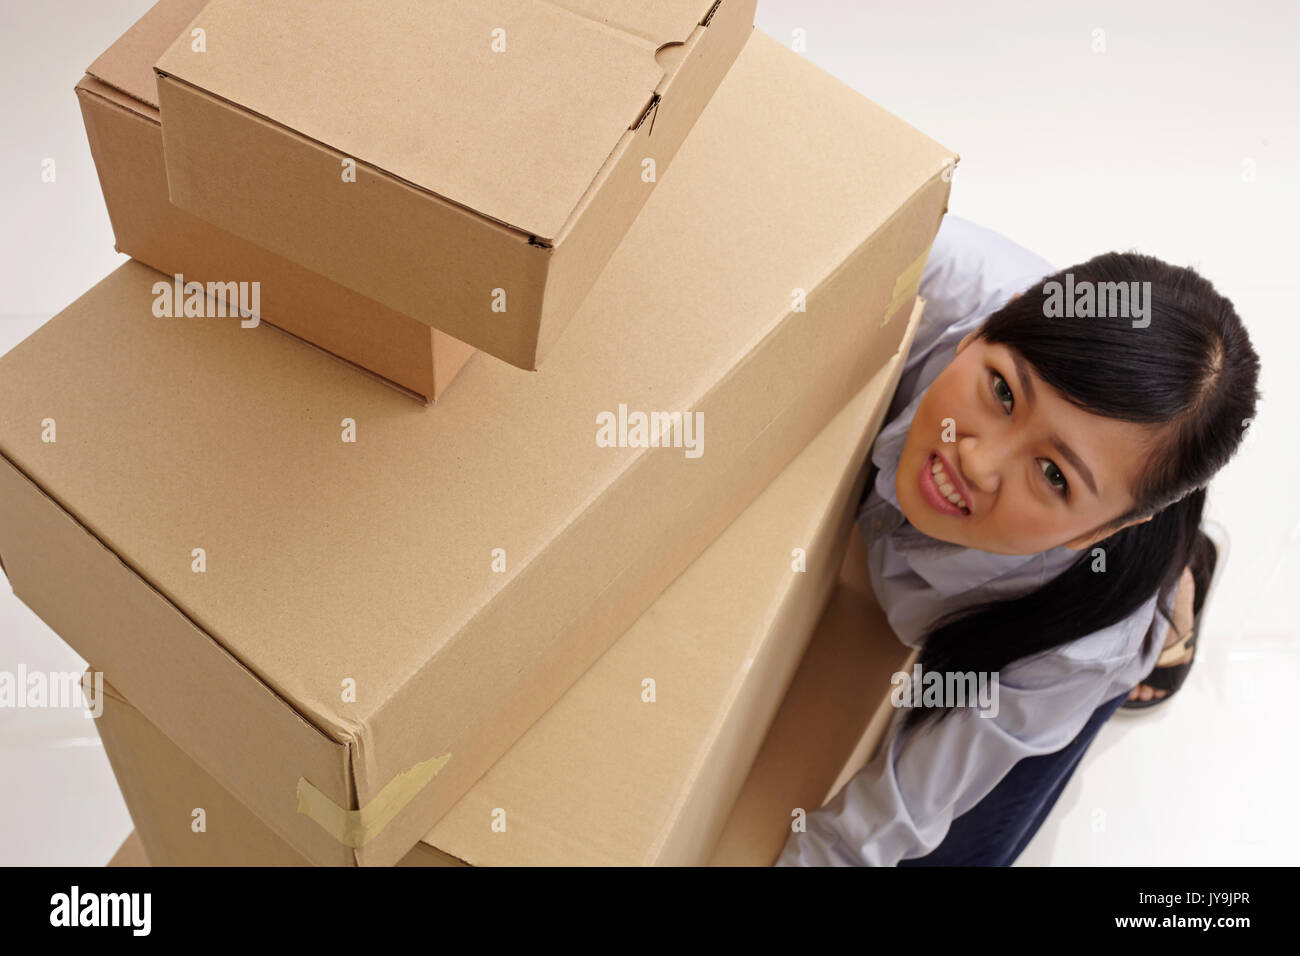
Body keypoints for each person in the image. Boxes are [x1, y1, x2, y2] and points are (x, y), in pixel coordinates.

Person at [774, 215, 1260, 866]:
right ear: (989, 320)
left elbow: (882, 824)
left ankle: (1174, 579)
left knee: (954, 851)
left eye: (1053, 475)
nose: (977, 462)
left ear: (1101, 531)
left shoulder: (1080, 649)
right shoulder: (927, 269)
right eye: (1002, 390)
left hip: (1077, 604)